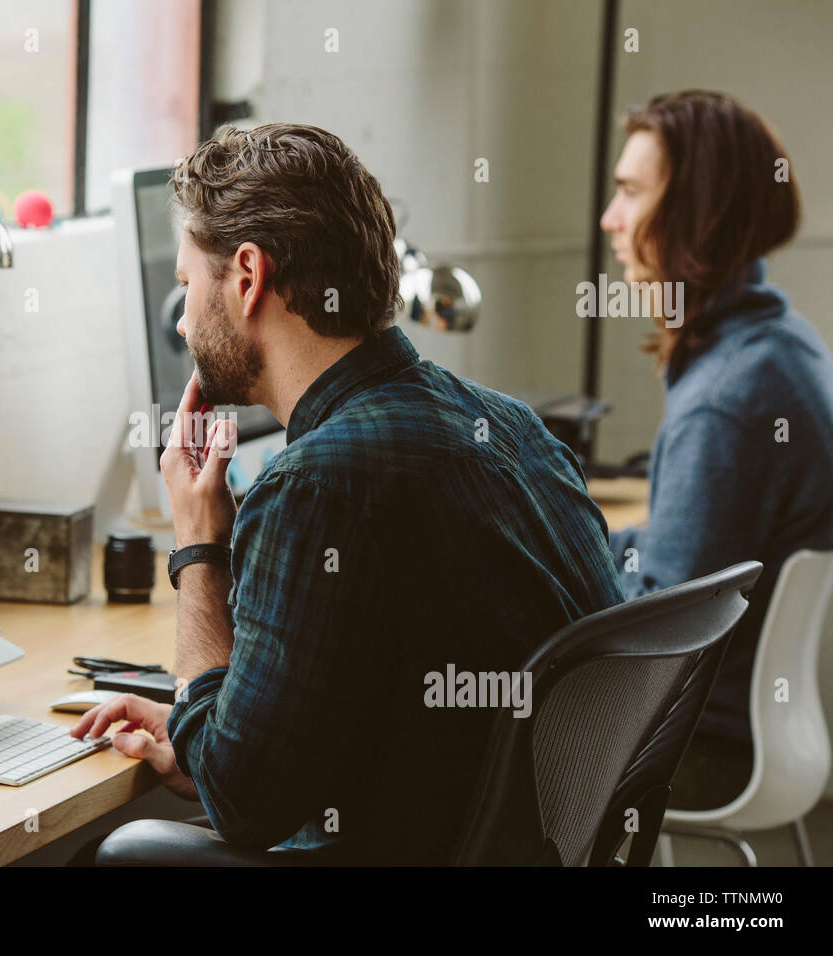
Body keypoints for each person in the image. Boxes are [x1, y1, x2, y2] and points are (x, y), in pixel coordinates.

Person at [71, 123, 623, 864]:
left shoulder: (318, 484)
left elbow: (244, 808)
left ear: (246, 276)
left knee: (117, 854)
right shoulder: (511, 425)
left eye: (186, 286)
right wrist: (205, 730)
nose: (183, 320)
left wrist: (200, 546)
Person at [600, 90, 833, 809]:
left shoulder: (728, 400)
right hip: (766, 733)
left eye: (631, 193)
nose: (609, 220)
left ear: (697, 215)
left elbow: (662, 632)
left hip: (702, 747)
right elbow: (687, 561)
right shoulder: (780, 344)